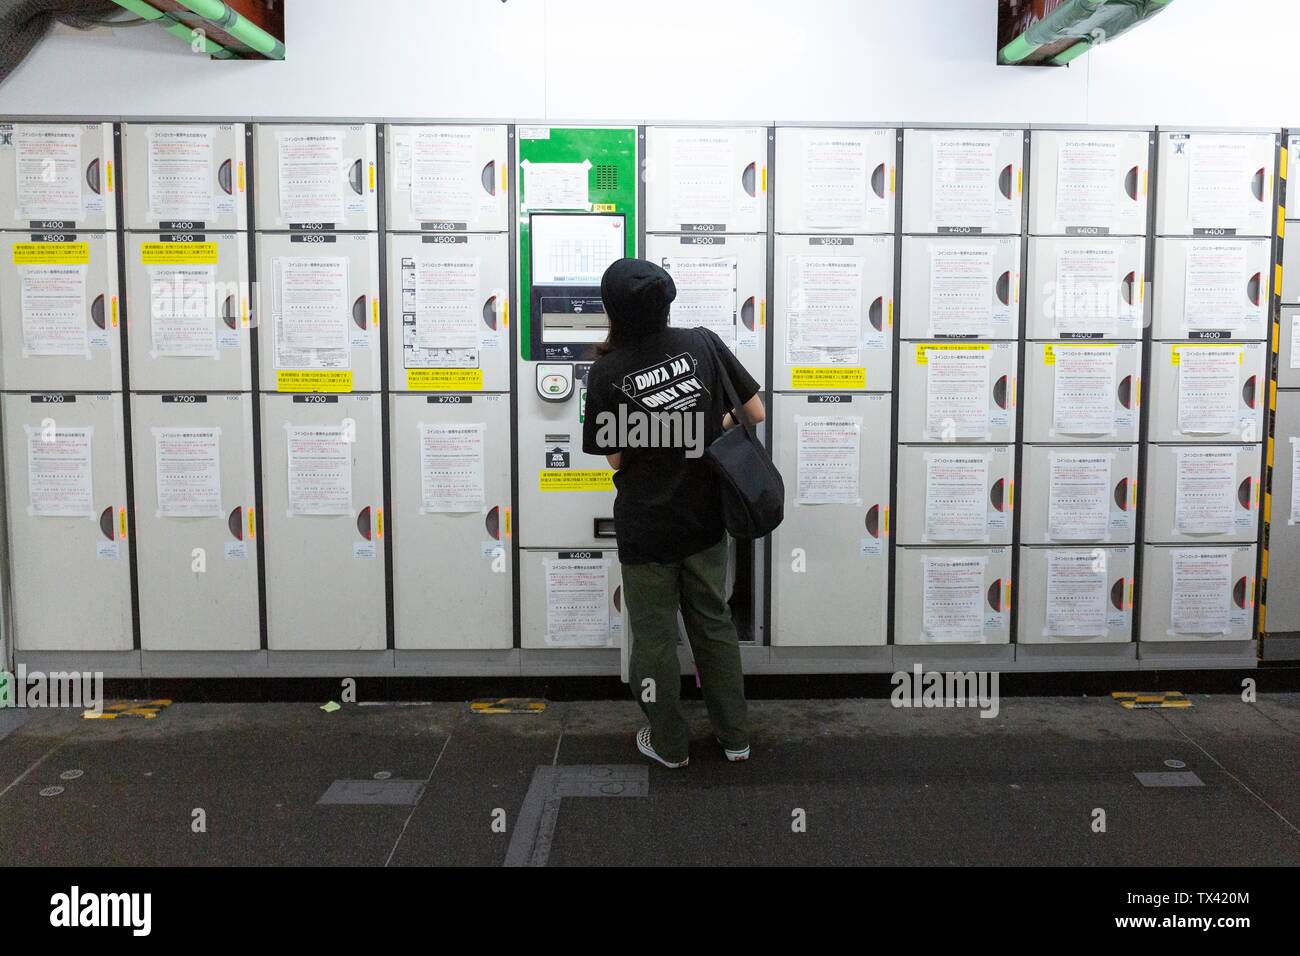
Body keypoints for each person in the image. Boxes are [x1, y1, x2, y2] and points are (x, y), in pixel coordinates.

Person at [582, 258, 765, 768]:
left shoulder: (607, 371)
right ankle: (735, 738)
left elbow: (616, 456)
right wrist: (706, 424)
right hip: (705, 519)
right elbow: (754, 412)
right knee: (714, 625)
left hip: (646, 528)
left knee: (655, 638)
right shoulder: (702, 342)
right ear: (668, 302)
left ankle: (668, 742)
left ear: (611, 309)